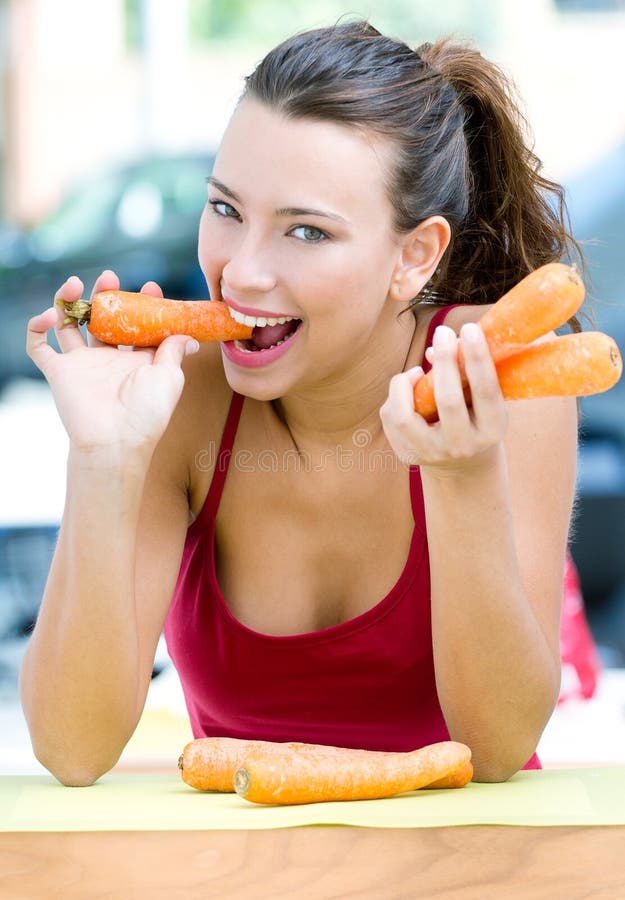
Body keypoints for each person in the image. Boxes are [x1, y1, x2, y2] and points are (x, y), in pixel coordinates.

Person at [20, 20, 580, 786]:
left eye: (307, 232)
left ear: (413, 257)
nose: (241, 274)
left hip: (469, 851)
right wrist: (102, 461)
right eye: (226, 210)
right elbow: (72, 750)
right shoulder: (179, 395)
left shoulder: (500, 376)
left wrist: (462, 476)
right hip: (237, 852)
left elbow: (497, 747)